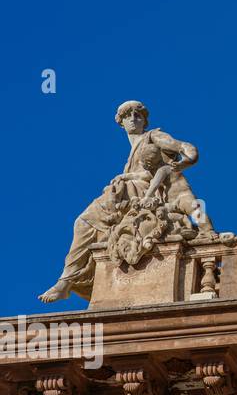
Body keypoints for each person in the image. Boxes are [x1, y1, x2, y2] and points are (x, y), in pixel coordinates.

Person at [42, 101, 214, 303]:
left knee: (84, 222)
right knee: (84, 224)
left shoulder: (153, 137)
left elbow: (185, 148)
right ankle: (67, 279)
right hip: (134, 191)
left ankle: (66, 282)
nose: (133, 119)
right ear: (121, 122)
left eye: (137, 115)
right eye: (127, 115)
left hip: (141, 191)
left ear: (144, 120)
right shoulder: (133, 152)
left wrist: (185, 161)